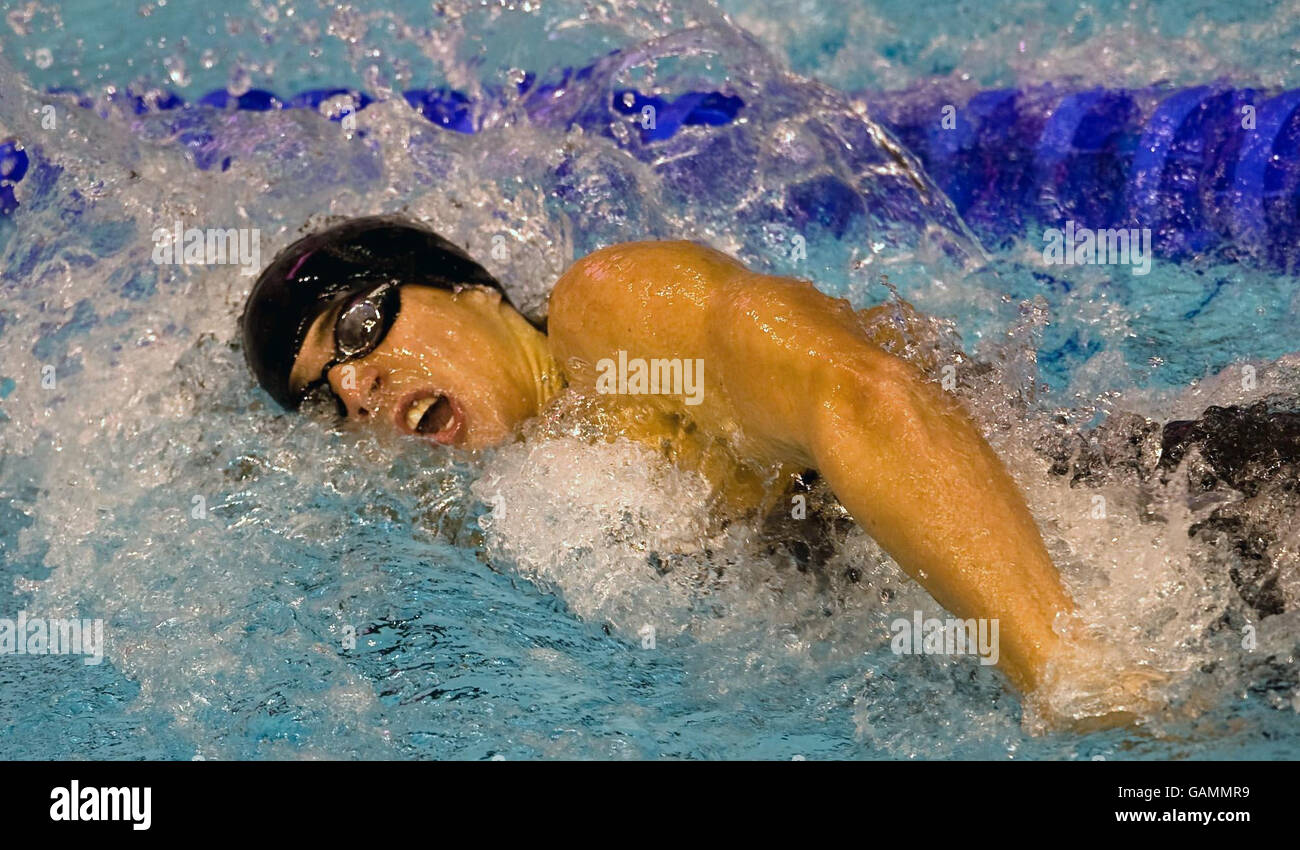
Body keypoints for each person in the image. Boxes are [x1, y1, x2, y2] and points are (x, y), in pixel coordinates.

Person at [241, 214, 1140, 721]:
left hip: (1139, 526)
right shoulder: (515, 501)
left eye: (358, 329)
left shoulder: (608, 318)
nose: (358, 386)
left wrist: (1074, 674)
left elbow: (867, 395)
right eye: (327, 398)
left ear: (467, 287)